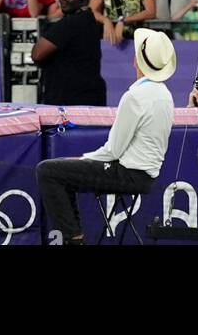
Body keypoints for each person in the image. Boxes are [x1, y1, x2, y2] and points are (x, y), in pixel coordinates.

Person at [36, 28, 177, 245]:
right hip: (145, 176)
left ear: (136, 61)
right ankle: (74, 238)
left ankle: (74, 240)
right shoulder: (165, 95)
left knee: (47, 171)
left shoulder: (135, 96)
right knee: (62, 174)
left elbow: (113, 150)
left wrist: (83, 159)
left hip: (126, 174)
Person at [32, 0, 106, 106]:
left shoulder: (70, 24)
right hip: (89, 97)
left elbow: (37, 54)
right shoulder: (91, 21)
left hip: (67, 101)